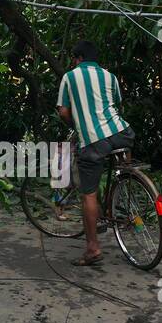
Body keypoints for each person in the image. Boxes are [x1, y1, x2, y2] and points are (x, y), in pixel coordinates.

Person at [56, 40, 134, 266]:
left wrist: (76, 125)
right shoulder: (110, 76)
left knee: (88, 194)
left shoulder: (69, 77)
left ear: (77, 58)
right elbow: (116, 104)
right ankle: (123, 184)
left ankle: (92, 248)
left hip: (92, 140)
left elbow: (63, 111)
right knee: (118, 159)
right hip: (123, 133)